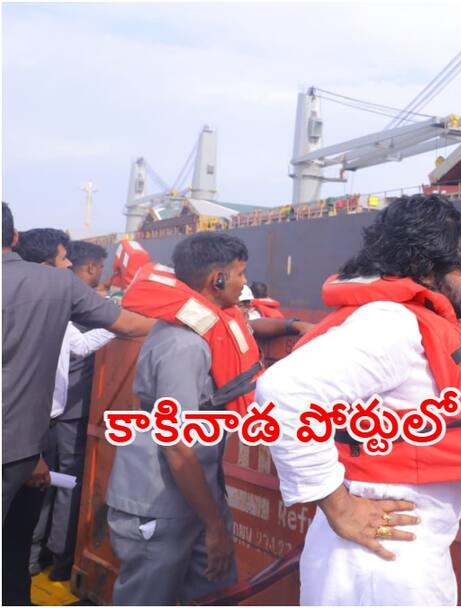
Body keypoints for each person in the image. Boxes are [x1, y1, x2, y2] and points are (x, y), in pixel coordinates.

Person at [257, 193, 461, 605]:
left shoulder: (415, 300)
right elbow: (283, 392)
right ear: (427, 270)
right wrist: (339, 507)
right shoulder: (393, 326)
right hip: (383, 555)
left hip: (395, 541)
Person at [2, 203, 152, 605]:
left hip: (24, 447)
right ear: (14, 237)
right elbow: (129, 324)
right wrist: (197, 319)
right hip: (21, 447)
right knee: (14, 550)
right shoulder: (56, 285)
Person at [104, 232, 264, 605]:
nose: (243, 284)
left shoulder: (193, 332)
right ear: (217, 280)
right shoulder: (184, 345)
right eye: (240, 275)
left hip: (194, 498)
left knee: (216, 594)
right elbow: (176, 445)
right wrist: (214, 526)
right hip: (159, 508)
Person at [30, 241, 116, 580]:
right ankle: (57, 559)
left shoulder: (54, 306)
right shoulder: (69, 305)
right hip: (61, 417)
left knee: (45, 483)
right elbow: (79, 347)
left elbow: (76, 347)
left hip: (46, 415)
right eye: (62, 260)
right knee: (61, 484)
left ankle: (37, 557)